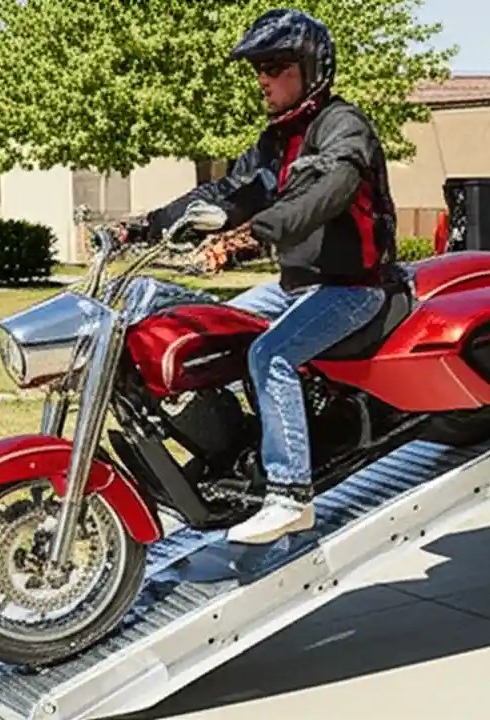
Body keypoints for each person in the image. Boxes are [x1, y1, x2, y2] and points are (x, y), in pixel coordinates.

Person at [133, 8, 400, 545]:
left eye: (274, 66)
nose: (262, 79)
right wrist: (141, 227)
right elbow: (224, 194)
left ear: (309, 67)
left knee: (268, 354)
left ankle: (289, 496)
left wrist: (247, 238)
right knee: (191, 325)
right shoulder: (276, 142)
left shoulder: (343, 127)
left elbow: (323, 196)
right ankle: (232, 452)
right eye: (258, 67)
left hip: (353, 290)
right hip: (294, 289)